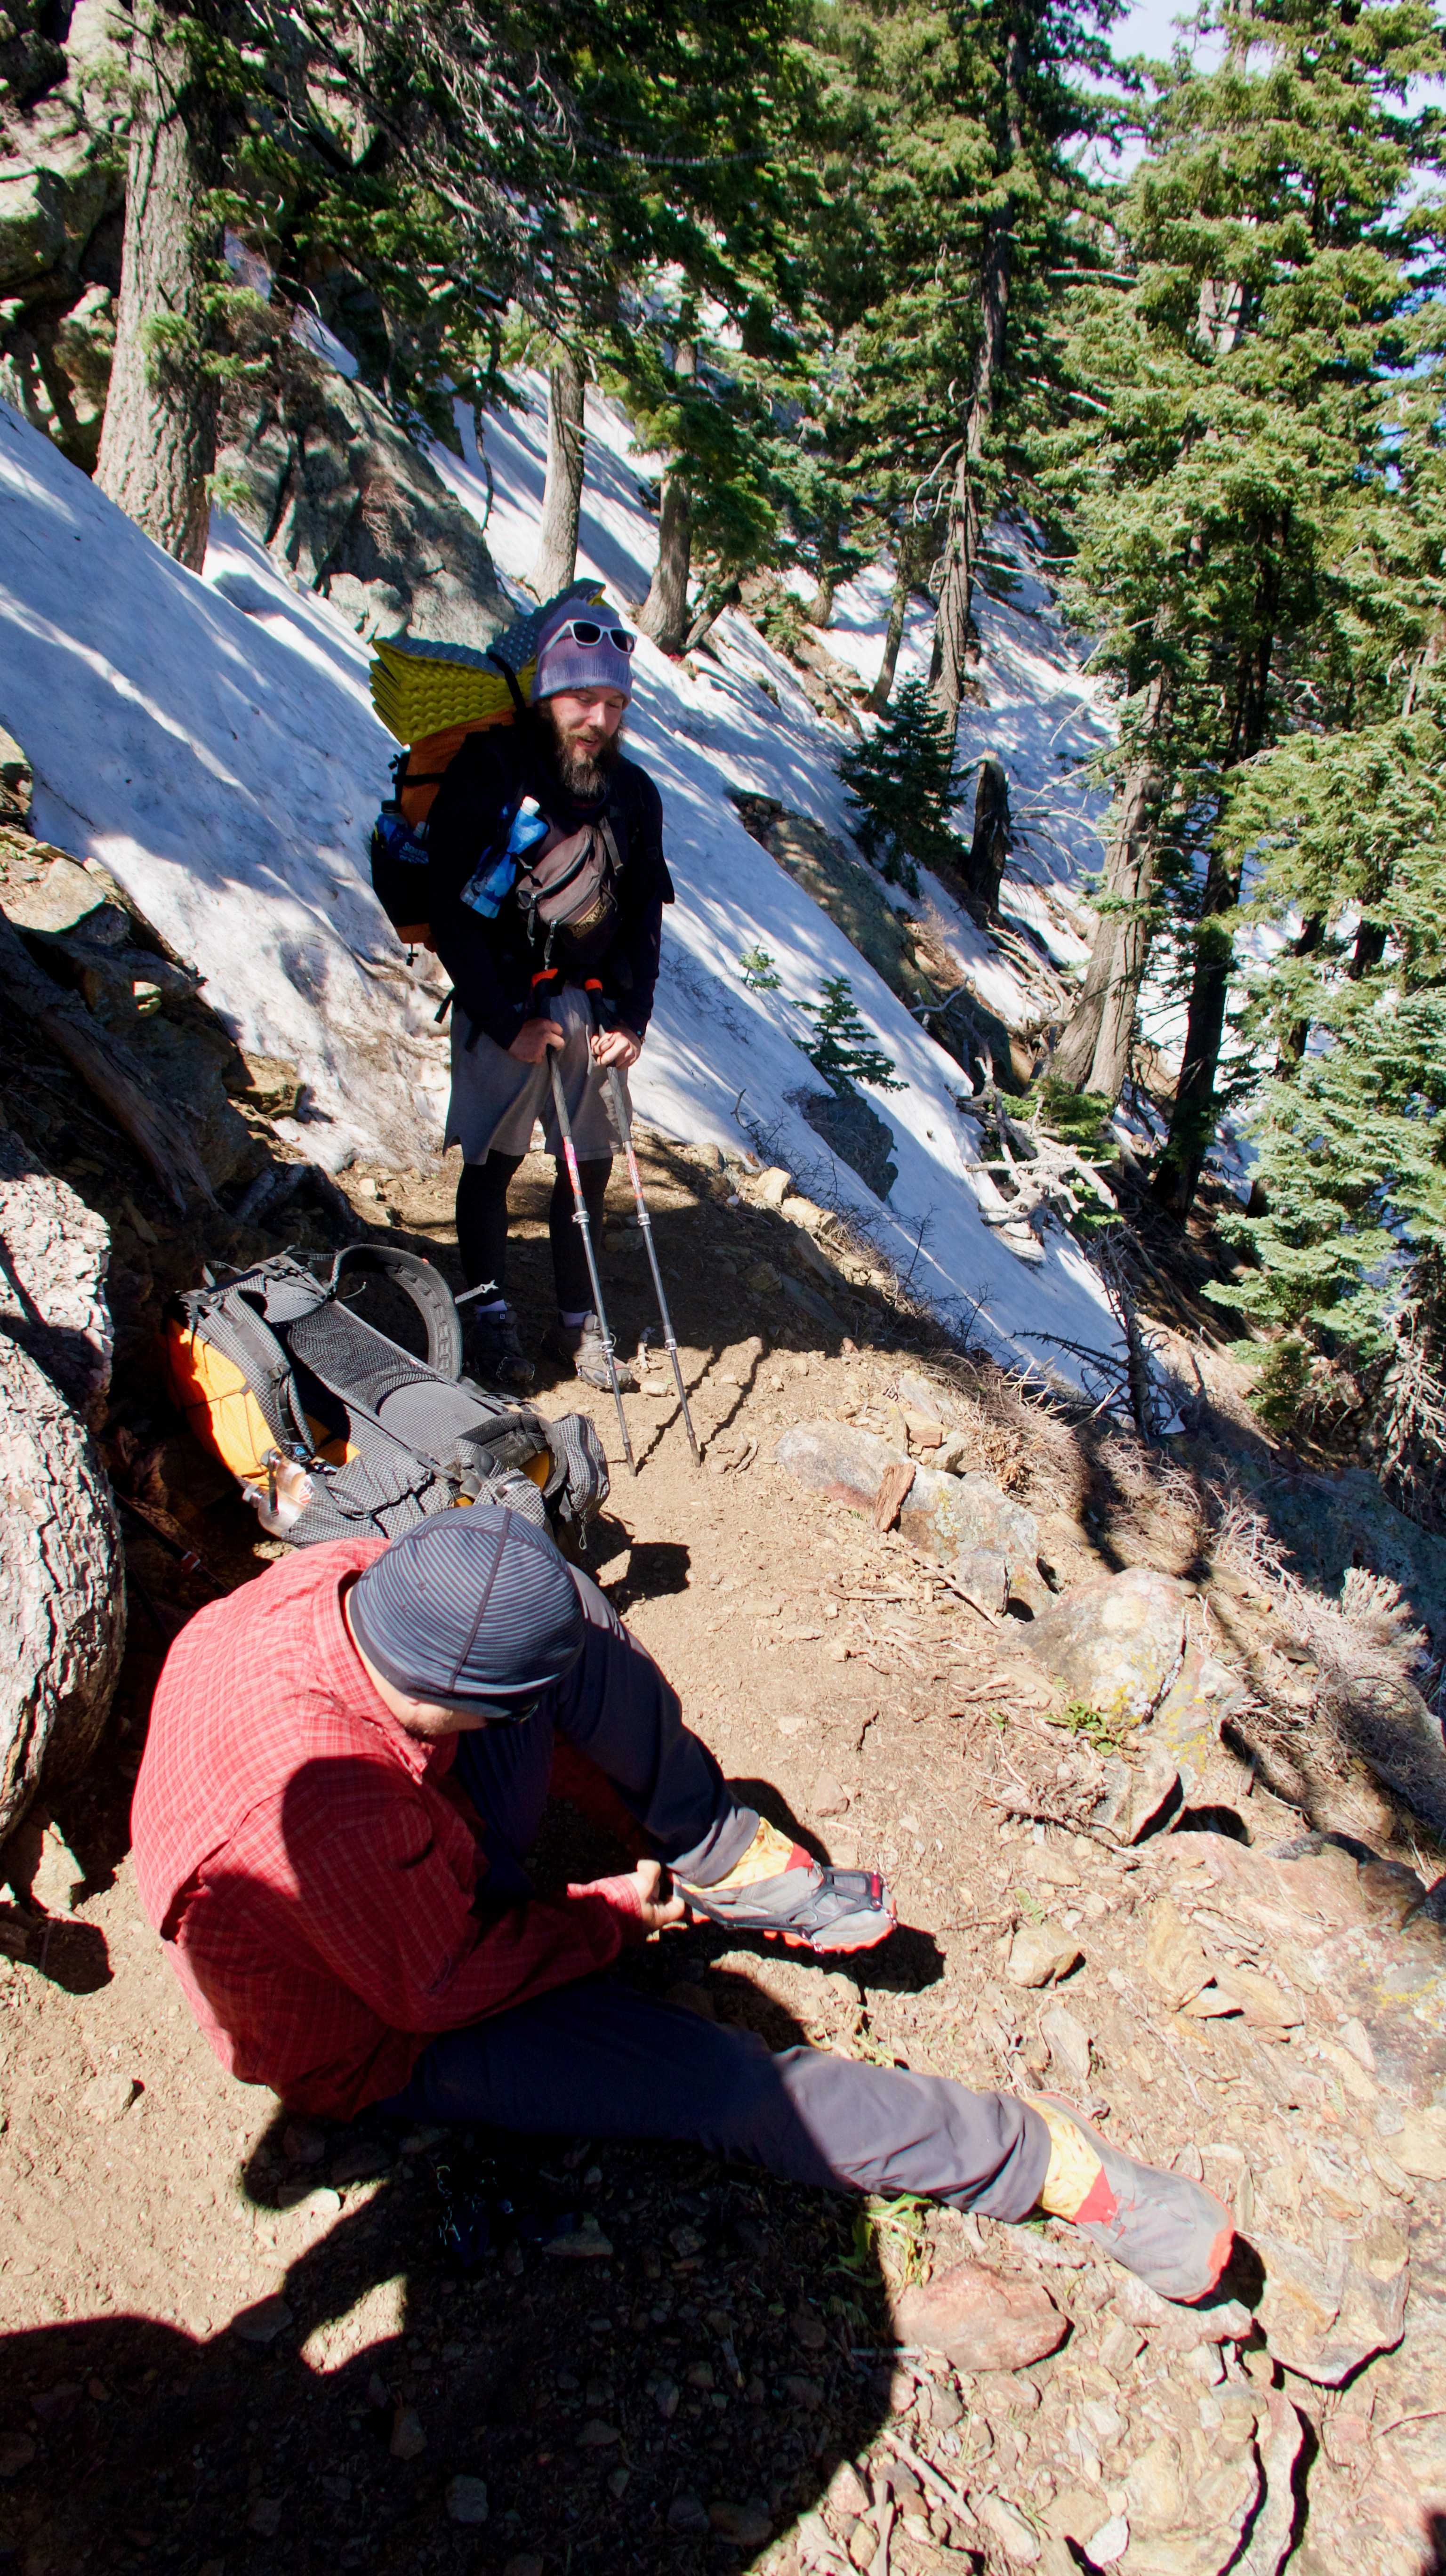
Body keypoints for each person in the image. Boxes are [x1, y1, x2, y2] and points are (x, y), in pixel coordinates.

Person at [130, 1510, 1235, 2305]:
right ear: (453, 1707)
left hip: (399, 1871)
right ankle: (1041, 2165)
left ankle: (715, 1848)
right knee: (722, 2079)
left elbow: (493, 1646)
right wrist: (609, 1918)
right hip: (376, 2029)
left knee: (557, 1609)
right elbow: (437, 1988)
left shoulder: (334, 1582)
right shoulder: (341, 1812)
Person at [374, 595, 672, 1396]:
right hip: (501, 1004)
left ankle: (578, 1325)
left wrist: (633, 1020)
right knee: (493, 1164)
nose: (599, 720)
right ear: (548, 695)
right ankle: (488, 1313)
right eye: (583, 700)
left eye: (614, 703)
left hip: (596, 1012)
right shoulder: (491, 771)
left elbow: (643, 912)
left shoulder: (633, 794)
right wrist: (507, 1019)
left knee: (590, 1172)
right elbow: (449, 910)